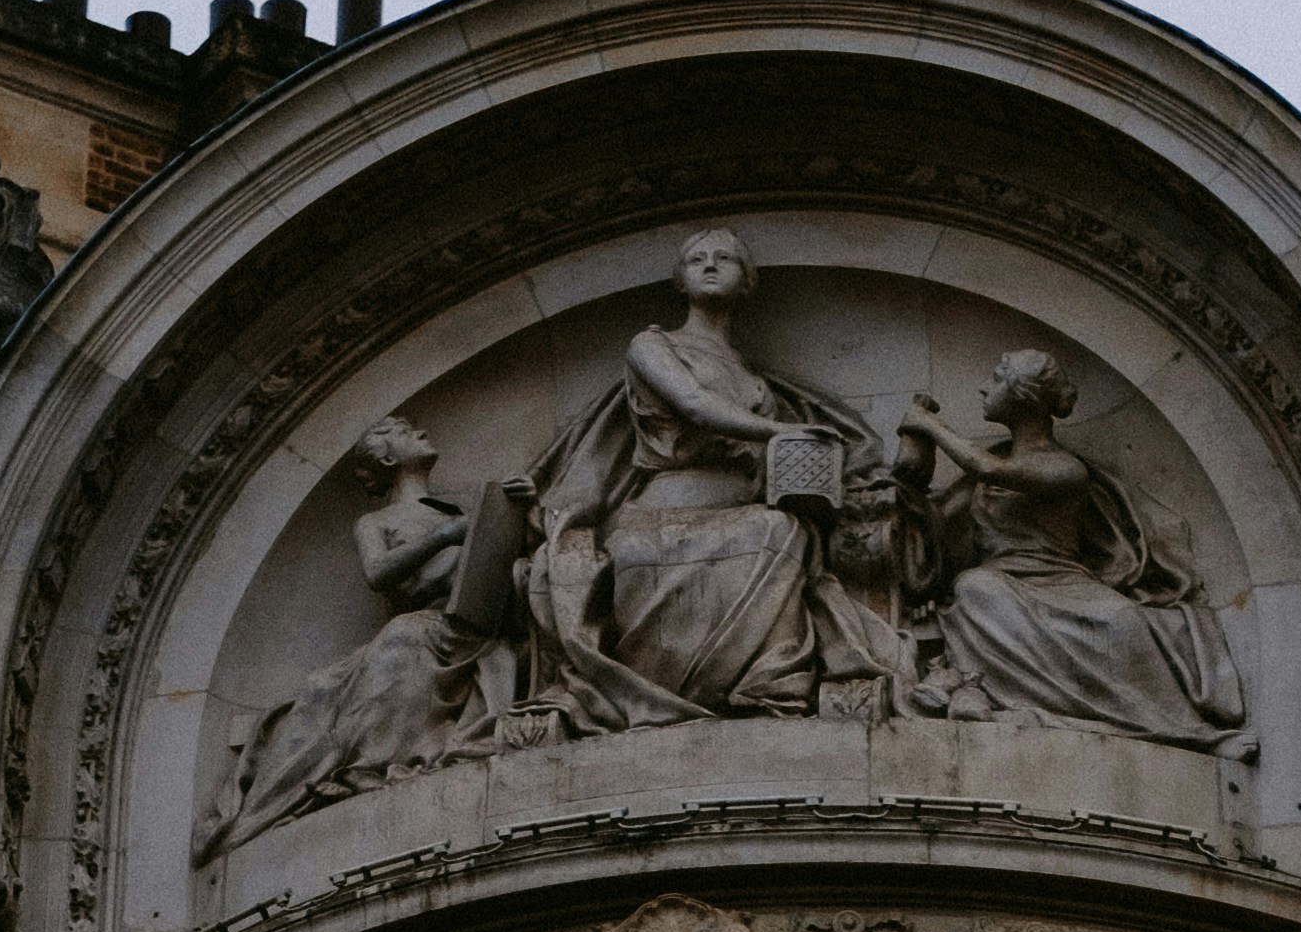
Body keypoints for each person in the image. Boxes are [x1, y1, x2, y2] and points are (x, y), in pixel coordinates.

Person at [523, 235, 913, 723]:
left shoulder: (756, 380)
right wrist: (779, 430)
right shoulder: (651, 345)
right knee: (772, 532)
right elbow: (693, 405)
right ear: (680, 280)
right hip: (664, 517)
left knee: (786, 530)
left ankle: (767, 684)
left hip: (744, 512)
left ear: (747, 280)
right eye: (695, 259)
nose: (709, 265)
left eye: (725, 258)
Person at [890, 350, 1245, 742]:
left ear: (1022, 396)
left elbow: (990, 468)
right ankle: (991, 688)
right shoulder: (984, 477)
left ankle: (1177, 726)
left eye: (996, 379)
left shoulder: (1063, 468)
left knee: (1121, 622)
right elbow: (936, 524)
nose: (983, 388)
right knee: (974, 588)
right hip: (1002, 579)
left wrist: (931, 425)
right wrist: (912, 480)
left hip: (1064, 582)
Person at [209, 415, 513, 837]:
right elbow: (377, 572)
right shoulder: (377, 522)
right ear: (386, 457)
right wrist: (445, 537)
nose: (422, 430)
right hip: (421, 628)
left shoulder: (456, 511)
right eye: (406, 432)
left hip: (468, 626)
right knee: (323, 688)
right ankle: (358, 766)